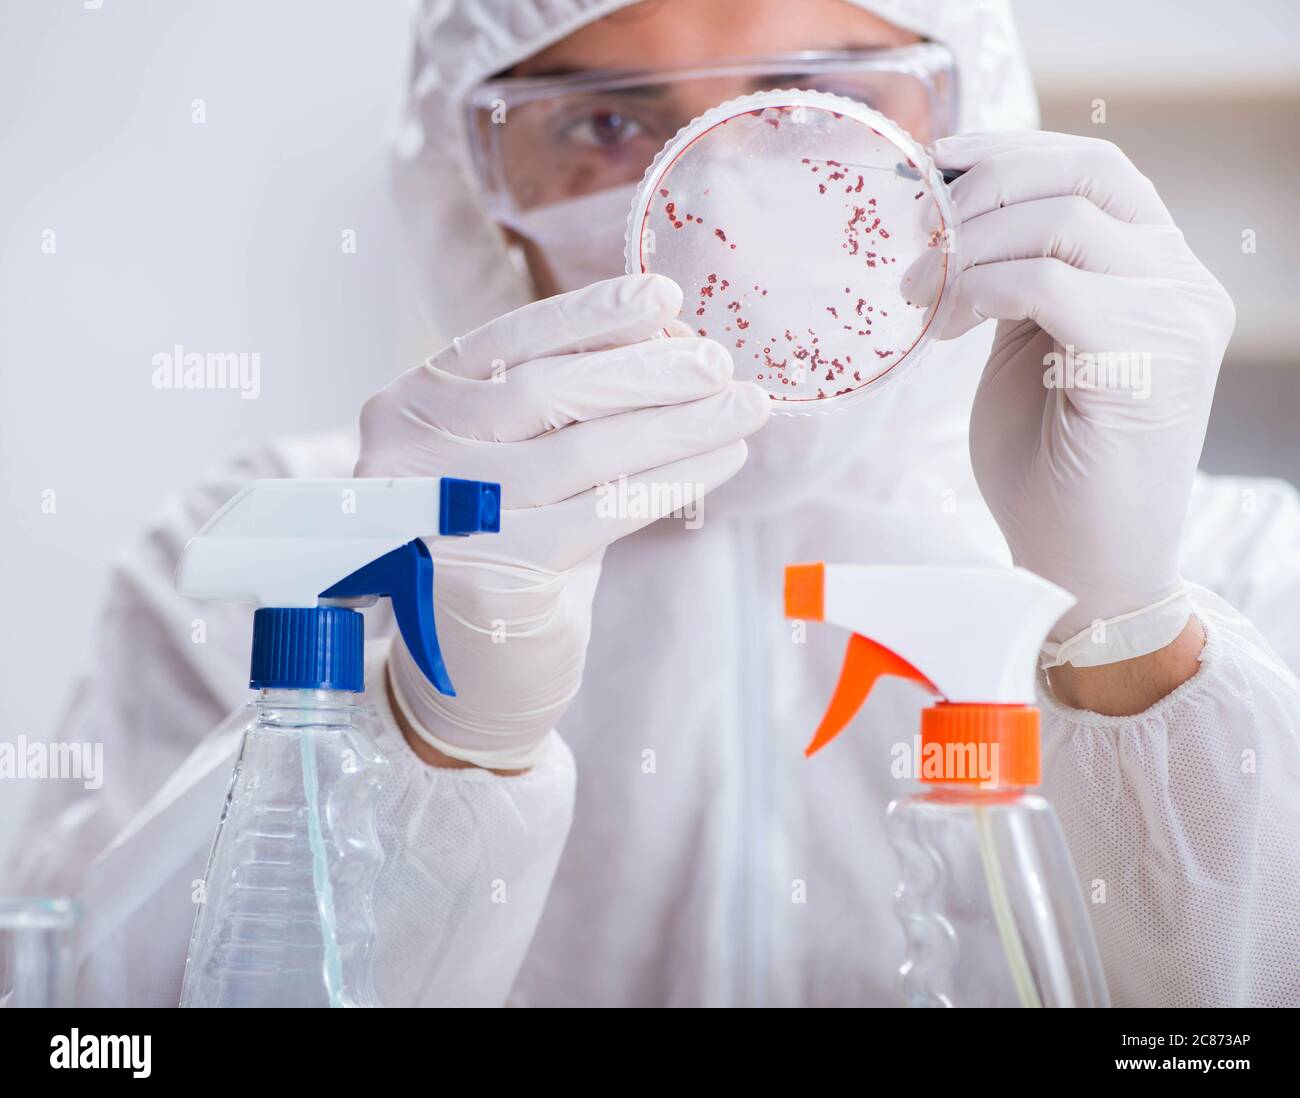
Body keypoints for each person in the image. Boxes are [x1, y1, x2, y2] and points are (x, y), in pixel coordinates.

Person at [9, 0, 1300, 1007]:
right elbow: (96, 1033)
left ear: (971, 108)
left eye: (818, 100)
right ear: (474, 178)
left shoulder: (1239, 559)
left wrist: (1130, 633)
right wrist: (427, 726)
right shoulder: (268, 545)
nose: (722, 194)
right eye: (605, 124)